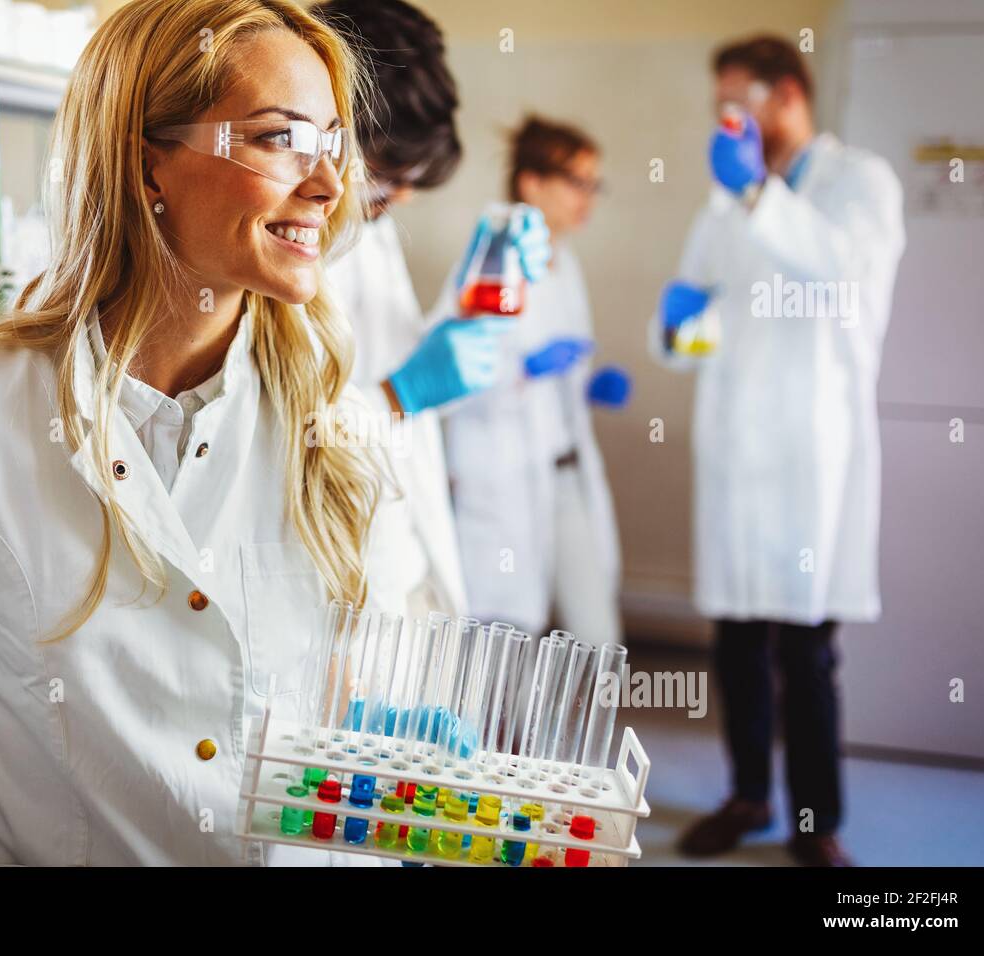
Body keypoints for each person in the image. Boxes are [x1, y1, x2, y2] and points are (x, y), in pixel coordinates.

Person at [0, 0, 415, 867]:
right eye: (278, 138)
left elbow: (356, 699)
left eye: (332, 142)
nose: (328, 184)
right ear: (147, 164)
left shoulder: (333, 413)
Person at [656, 35, 905, 867]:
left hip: (812, 452)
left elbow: (845, 274)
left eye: (744, 99)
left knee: (804, 648)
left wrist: (758, 195)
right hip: (735, 451)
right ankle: (746, 796)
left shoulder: (857, 183)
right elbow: (690, 331)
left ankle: (815, 822)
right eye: (723, 102)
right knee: (734, 640)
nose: (732, 119)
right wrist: (678, 326)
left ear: (788, 94)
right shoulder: (723, 204)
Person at [315, 0, 550, 620]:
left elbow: (398, 348)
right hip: (336, 575)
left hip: (400, 544)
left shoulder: (368, 220)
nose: (401, 197)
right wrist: (398, 396)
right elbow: (280, 434)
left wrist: (475, 284)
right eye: (389, 177)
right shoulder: (278, 237)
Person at [442, 117, 629, 643]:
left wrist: (585, 388)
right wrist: (521, 371)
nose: (587, 197)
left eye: (594, 184)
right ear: (531, 182)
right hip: (507, 474)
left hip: (566, 470)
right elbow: (450, 367)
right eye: (577, 182)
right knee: (507, 640)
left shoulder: (564, 264)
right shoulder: (491, 259)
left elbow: (564, 371)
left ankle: (583, 728)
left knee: (597, 633)